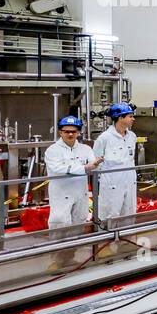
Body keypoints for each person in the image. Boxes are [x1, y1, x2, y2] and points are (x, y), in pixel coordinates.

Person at [44, 115, 102, 270]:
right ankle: (55, 261)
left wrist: (96, 165)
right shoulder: (53, 151)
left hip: (80, 193)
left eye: (73, 131)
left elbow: (93, 165)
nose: (70, 134)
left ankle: (69, 258)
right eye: (66, 131)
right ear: (60, 132)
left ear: (78, 132)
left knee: (77, 226)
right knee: (59, 226)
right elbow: (58, 169)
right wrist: (84, 168)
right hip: (61, 194)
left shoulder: (85, 149)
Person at [93, 102, 138, 222]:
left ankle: (127, 238)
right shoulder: (104, 138)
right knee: (110, 214)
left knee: (129, 212)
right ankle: (106, 239)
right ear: (120, 118)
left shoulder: (132, 136)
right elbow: (95, 162)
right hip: (111, 183)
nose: (133, 119)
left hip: (129, 181)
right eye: (130, 116)